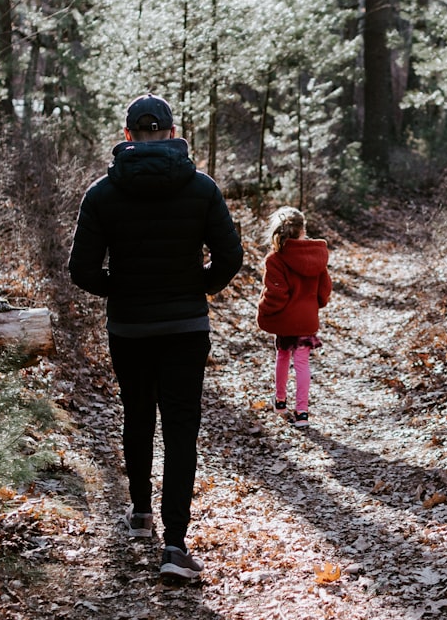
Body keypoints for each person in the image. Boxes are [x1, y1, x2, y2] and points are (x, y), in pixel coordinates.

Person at [68, 93, 243, 580]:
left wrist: (120, 291)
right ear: (170, 134)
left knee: (137, 413)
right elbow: (231, 257)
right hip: (186, 327)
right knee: (181, 428)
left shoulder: (102, 192)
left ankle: (140, 514)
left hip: (129, 326)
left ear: (127, 136)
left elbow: (81, 269)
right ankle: (174, 545)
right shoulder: (201, 188)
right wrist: (197, 289)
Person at [256, 207, 331, 429]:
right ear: (303, 229)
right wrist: (313, 305)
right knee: (302, 364)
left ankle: (280, 402)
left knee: (282, 356)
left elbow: (275, 295)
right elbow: (325, 289)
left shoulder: (276, 258)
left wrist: (263, 310)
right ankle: (303, 413)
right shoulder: (316, 256)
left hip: (285, 320)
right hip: (306, 319)